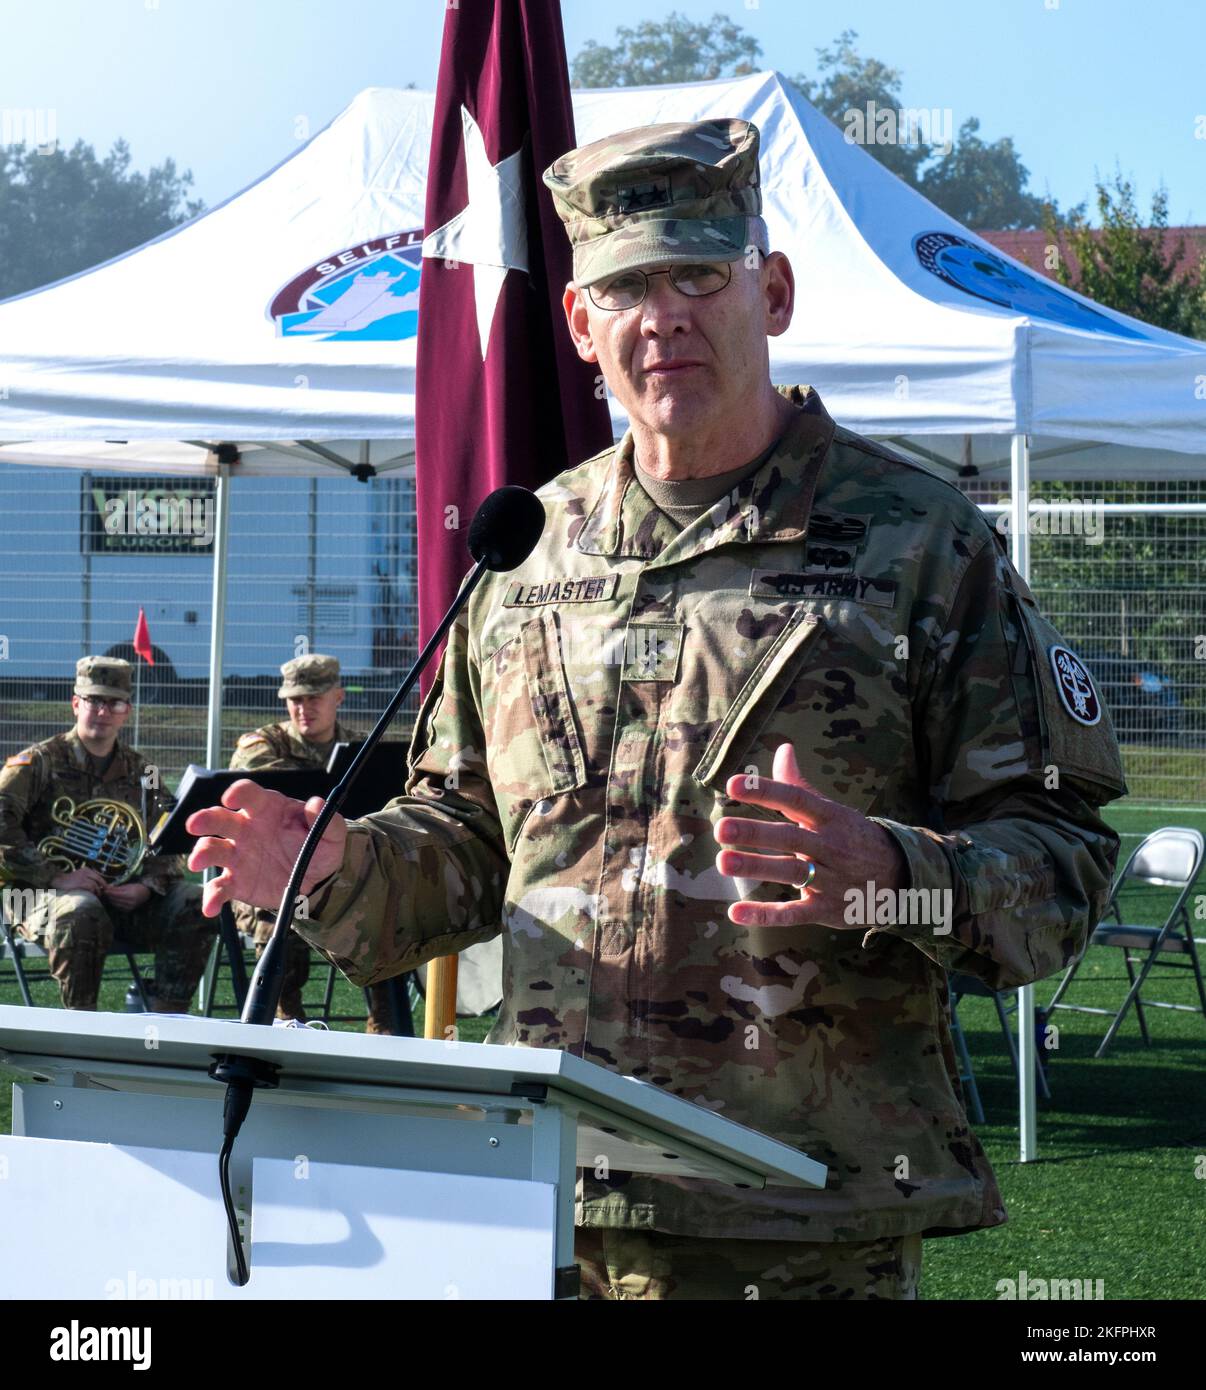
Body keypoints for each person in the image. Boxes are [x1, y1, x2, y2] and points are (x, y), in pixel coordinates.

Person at [187, 119, 1127, 1300]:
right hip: (535, 1197)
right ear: (582, 324)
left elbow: (1065, 864)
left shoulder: (925, 546)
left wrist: (890, 868)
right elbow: (469, 846)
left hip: (793, 1218)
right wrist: (331, 867)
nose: (664, 315)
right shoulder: (521, 554)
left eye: (700, 274)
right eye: (627, 285)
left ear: (772, 292)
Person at [0, 656, 214, 1012]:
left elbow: (168, 836)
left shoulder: (143, 770)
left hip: (121, 900)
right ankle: (82, 1031)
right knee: (82, 911)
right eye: (94, 701)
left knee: (197, 902)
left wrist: (147, 887)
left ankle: (164, 1022)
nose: (103, 711)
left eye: (113, 702)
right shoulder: (38, 762)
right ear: (75, 704)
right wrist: (57, 876)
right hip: (38, 896)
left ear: (126, 710)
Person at [228, 653, 399, 1033]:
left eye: (313, 698)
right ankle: (286, 1025)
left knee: (390, 905)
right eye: (295, 700)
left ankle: (386, 1030)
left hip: (342, 874)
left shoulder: (363, 752)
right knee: (282, 912)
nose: (303, 708)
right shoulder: (261, 746)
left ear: (338, 696)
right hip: (270, 878)